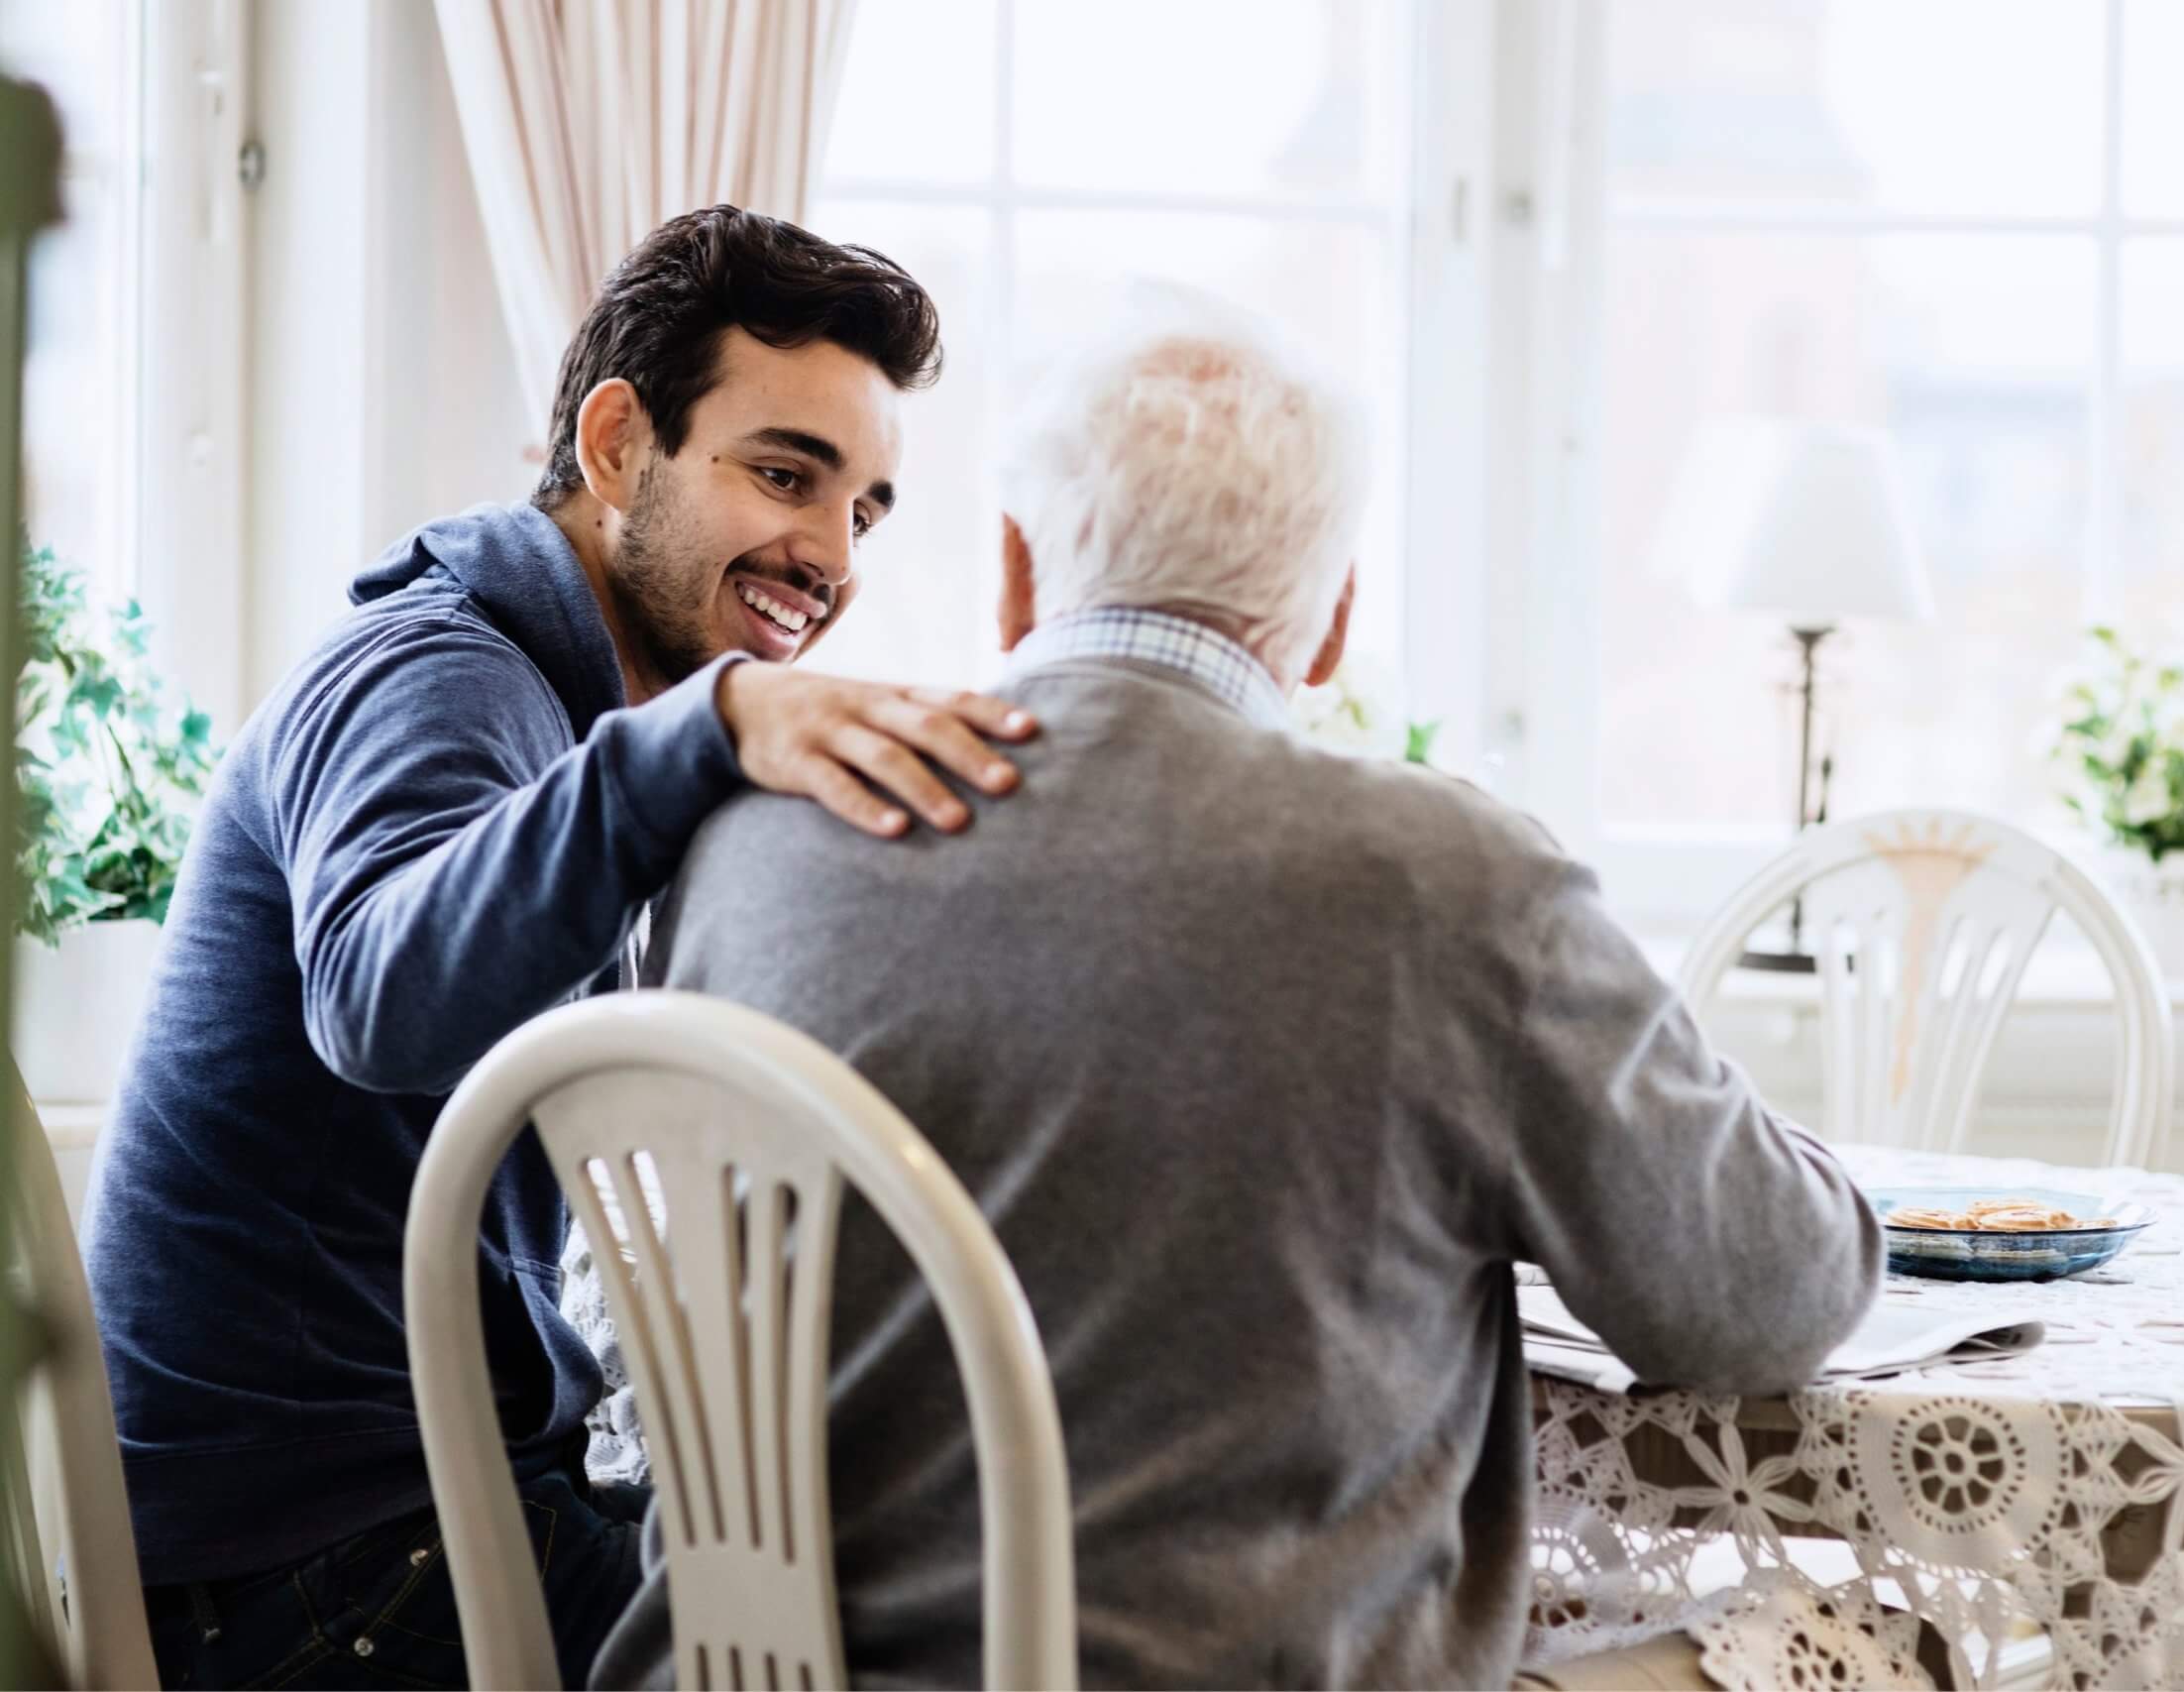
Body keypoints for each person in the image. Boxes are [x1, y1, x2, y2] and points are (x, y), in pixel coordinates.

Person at [595, 290, 1882, 1689]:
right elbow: (1761, 1303)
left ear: (1017, 574)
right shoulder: (1451, 880)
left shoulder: (740, 838)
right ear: (1329, 625)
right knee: (1860, 1642)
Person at [84, 206, 1039, 1690]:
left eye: (864, 509)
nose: (828, 555)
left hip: (339, 1519)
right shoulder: (440, 670)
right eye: (785, 474)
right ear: (614, 444)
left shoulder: (547, 690)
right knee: (865, 1651)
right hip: (309, 1565)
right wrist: (702, 734)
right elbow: (378, 998)